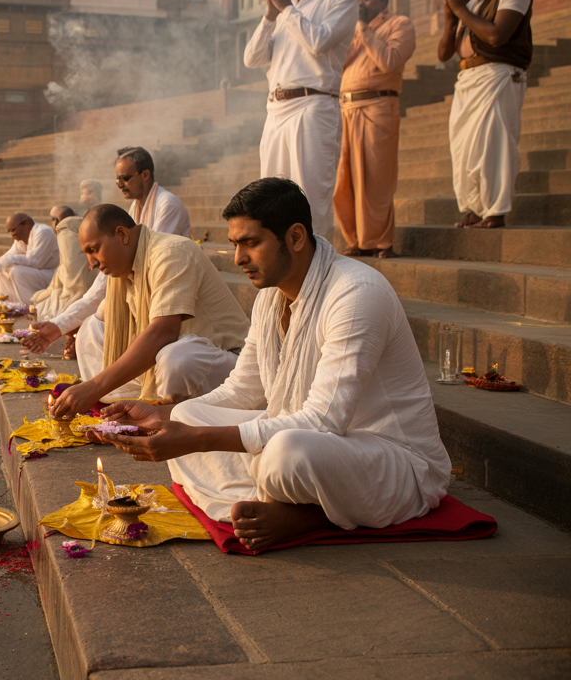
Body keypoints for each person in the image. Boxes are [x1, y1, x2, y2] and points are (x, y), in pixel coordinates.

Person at [94, 178, 451, 551]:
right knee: (189, 415)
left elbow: (322, 422)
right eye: (235, 244)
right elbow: (243, 390)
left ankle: (305, 515)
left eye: (251, 242)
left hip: (392, 460)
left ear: (295, 237)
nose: (238, 258)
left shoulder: (358, 294)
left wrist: (196, 440)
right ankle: (271, 504)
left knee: (285, 454)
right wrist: (163, 416)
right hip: (314, 442)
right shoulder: (270, 295)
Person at [49, 204, 249, 413]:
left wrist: (94, 386)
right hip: (171, 360)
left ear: (122, 235)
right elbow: (100, 313)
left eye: (94, 249)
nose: (91, 263)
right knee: (91, 328)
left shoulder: (171, 252)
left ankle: (166, 419)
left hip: (226, 363)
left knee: (177, 358)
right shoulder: (124, 270)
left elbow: (163, 331)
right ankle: (119, 404)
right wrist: (67, 328)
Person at [25, 147, 191, 382]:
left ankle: (111, 388)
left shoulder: (168, 204)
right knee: (93, 323)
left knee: (101, 316)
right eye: (117, 179)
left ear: (145, 174)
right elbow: (98, 291)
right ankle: (109, 394)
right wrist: (58, 326)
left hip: (168, 291)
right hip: (140, 285)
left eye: (125, 177)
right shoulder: (136, 208)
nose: (120, 184)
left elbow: (153, 257)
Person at [244, 0, 357, 239]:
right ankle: (283, 280)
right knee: (271, 201)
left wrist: (286, 8)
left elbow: (319, 41)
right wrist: (270, 15)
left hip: (313, 107)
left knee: (309, 203)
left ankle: (318, 282)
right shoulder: (283, 9)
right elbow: (252, 59)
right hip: (276, 111)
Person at [437, 0, 533, 229]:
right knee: (464, 148)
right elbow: (443, 54)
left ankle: (495, 211)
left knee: (493, 144)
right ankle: (473, 209)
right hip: (467, 79)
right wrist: (449, 18)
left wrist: (461, 9)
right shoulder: (472, 3)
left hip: (498, 75)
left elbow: (495, 37)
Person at [332, 0, 416, 259]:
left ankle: (380, 242)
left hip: (379, 105)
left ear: (383, 1)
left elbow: (390, 61)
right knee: (344, 180)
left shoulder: (400, 24)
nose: (361, 4)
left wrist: (364, 29)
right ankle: (356, 240)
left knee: (376, 179)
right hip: (345, 109)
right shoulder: (352, 29)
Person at [29, 206, 97, 322]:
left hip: (75, 290)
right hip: (88, 283)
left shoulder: (65, 231)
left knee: (46, 309)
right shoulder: (78, 226)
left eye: (52, 219)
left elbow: (72, 272)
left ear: (56, 221)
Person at [0, 212, 59, 304]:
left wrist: (8, 261)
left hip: (52, 275)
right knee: (2, 269)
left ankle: (29, 305)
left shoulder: (43, 232)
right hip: (38, 274)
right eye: (9, 231)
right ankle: (7, 303)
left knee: (17, 271)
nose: (12, 235)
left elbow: (35, 262)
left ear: (25, 224)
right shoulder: (21, 239)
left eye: (13, 230)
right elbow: (10, 254)